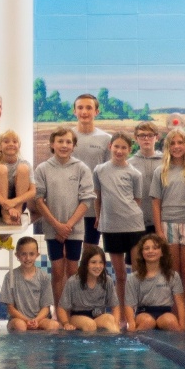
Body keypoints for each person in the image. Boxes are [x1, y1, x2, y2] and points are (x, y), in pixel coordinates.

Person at [33, 127, 95, 298]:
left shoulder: (81, 168)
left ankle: (72, 309)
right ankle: (59, 312)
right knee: (57, 271)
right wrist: (57, 226)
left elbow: (87, 200)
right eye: (60, 141)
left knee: (73, 271)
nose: (64, 145)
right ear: (52, 144)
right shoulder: (43, 169)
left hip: (74, 229)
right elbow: (39, 200)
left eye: (68, 142)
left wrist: (67, 226)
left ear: (74, 146)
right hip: (53, 229)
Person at [94, 133, 146, 309]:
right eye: (116, 146)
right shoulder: (99, 170)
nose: (119, 150)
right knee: (120, 274)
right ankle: (122, 312)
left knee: (138, 272)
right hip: (111, 227)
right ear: (110, 146)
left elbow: (137, 200)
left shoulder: (135, 174)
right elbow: (98, 197)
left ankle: (138, 310)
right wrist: (98, 217)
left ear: (129, 150)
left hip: (133, 226)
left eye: (124, 147)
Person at [152, 128, 185, 277]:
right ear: (167, 147)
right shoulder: (160, 171)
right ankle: (176, 302)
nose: (176, 146)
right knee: (173, 272)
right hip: (168, 224)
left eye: (180, 142)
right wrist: (159, 231)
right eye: (172, 143)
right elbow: (156, 203)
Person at [70, 94, 112, 253]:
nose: (84, 111)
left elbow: (109, 175)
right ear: (74, 111)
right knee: (69, 254)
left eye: (89, 107)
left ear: (97, 111)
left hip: (94, 206)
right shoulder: (66, 138)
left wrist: (103, 207)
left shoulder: (106, 139)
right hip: (70, 205)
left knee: (90, 252)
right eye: (80, 107)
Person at [125, 233, 183, 332]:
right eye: (146, 248)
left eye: (155, 248)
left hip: (165, 312)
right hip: (143, 313)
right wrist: (131, 323)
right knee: (148, 321)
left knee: (171, 321)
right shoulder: (133, 278)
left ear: (162, 252)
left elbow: (180, 303)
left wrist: (182, 324)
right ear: (142, 253)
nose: (150, 251)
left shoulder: (173, 276)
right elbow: (129, 305)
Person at [0, 236, 59, 333]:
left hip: (39, 319)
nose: (27, 258)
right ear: (17, 255)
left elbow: (46, 307)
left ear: (37, 255)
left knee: (54, 325)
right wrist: (26, 320)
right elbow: (10, 308)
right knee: (20, 326)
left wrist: (36, 320)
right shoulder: (10, 276)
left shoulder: (43, 277)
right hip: (18, 319)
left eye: (31, 254)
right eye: (23, 254)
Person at [58, 248, 120, 333]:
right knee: (90, 324)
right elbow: (62, 308)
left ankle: (114, 345)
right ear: (86, 264)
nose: (98, 266)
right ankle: (90, 346)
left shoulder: (107, 281)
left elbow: (115, 306)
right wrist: (66, 324)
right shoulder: (73, 281)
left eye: (101, 262)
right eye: (93, 262)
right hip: (77, 317)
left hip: (98, 316)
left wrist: (116, 323)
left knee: (110, 319)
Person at [0, 129, 35, 229]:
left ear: (19, 146)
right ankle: (6, 214)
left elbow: (32, 191)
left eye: (15, 141)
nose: (11, 144)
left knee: (22, 168)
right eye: (6, 141)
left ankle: (16, 213)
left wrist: (15, 202)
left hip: (18, 204)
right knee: (1, 168)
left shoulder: (25, 164)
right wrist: (6, 205)